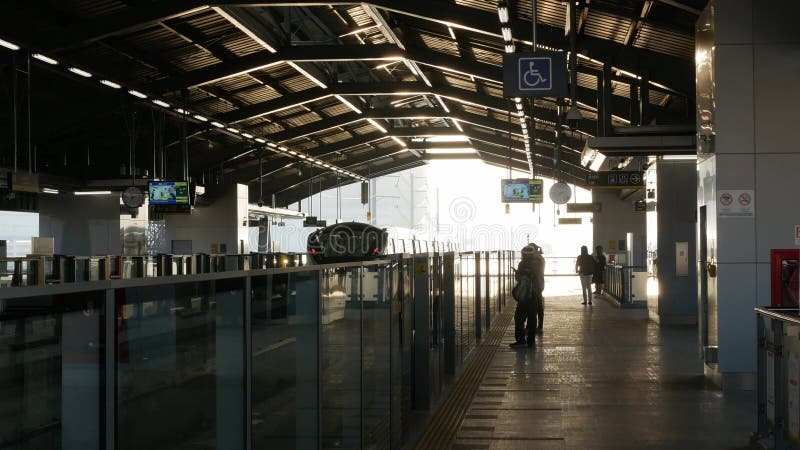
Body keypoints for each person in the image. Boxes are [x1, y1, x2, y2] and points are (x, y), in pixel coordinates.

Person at [510, 243, 546, 348]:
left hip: (525, 296)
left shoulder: (522, 264)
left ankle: (521, 340)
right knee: (532, 318)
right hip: (535, 294)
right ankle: (531, 341)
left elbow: (519, 278)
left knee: (519, 318)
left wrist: (518, 273)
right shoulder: (539, 263)